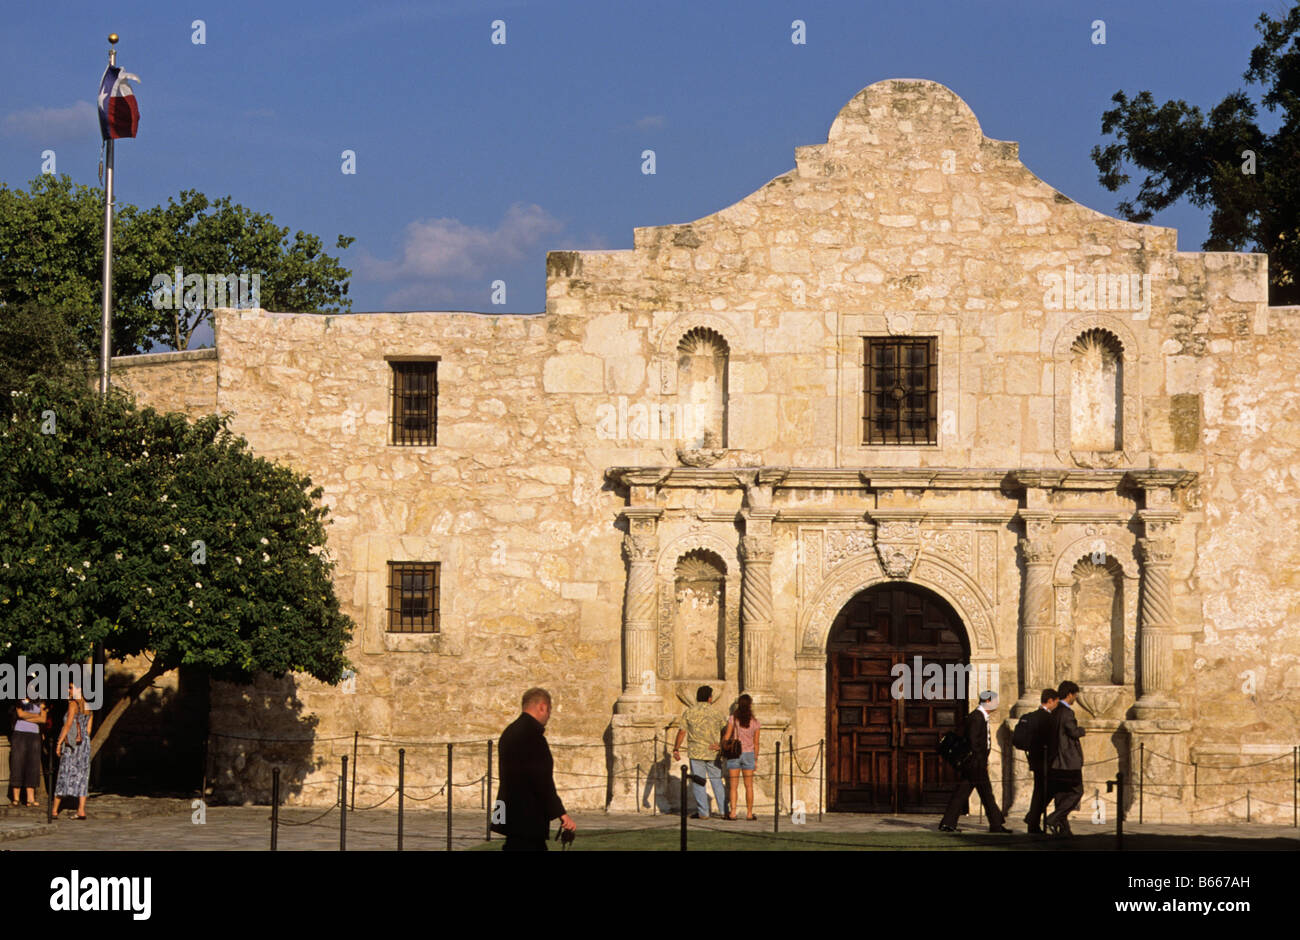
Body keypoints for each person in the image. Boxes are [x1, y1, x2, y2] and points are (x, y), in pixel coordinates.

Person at [495, 687, 575, 851]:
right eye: (549, 710)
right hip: (528, 816)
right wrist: (562, 814)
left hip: (510, 812)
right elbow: (541, 780)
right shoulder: (533, 737)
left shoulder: (509, 733)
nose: (549, 715)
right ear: (542, 707)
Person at [939, 690, 1011, 833]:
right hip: (975, 764)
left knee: (963, 792)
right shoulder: (976, 717)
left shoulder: (980, 717)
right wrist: (981, 761)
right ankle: (996, 824)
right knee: (986, 794)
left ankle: (948, 823)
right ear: (988, 701)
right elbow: (973, 741)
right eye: (995, 701)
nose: (997, 705)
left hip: (975, 764)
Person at [672, 685, 728, 819]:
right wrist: (721, 746)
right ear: (710, 698)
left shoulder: (689, 712)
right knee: (717, 781)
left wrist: (676, 748)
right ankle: (723, 810)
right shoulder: (717, 713)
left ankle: (703, 811)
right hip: (713, 752)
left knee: (698, 782)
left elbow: (682, 732)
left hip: (696, 751)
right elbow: (726, 731)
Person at [1045, 679, 1087, 837]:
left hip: (1056, 760)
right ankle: (1054, 818)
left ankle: (1064, 829)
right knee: (1077, 791)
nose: (1075, 698)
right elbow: (1073, 732)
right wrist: (1081, 730)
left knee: (1061, 795)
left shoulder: (1054, 711)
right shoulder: (1067, 712)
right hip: (1068, 761)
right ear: (1069, 694)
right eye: (1074, 695)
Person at [53, 683, 93, 819]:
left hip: (72, 745)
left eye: (70, 687)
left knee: (65, 772)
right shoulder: (88, 706)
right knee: (82, 775)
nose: (68, 690)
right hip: (85, 744)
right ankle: (81, 809)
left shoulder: (73, 705)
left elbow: (68, 724)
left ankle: (54, 810)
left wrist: (59, 743)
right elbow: (88, 730)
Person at [8, 674, 46, 807]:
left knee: (33, 765)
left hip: (34, 735)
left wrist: (27, 717)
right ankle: (16, 798)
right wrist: (35, 716)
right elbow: (20, 714)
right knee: (17, 763)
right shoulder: (19, 699)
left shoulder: (41, 700)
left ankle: (30, 798)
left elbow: (43, 719)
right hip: (19, 734)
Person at [1024, 688, 1059, 834]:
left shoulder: (1032, 716)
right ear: (1050, 701)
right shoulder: (1048, 718)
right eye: (1056, 702)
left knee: (1039, 791)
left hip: (1034, 758)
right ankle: (1032, 819)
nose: (1056, 705)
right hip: (1046, 760)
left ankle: (1032, 820)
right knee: (1047, 790)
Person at [723, 693, 761, 820]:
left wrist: (723, 744)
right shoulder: (755, 722)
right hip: (749, 754)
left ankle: (733, 812)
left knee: (733, 786)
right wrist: (755, 759)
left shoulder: (733, 719)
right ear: (750, 705)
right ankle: (749, 813)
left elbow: (727, 737)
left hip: (735, 753)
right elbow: (756, 743)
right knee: (748, 786)